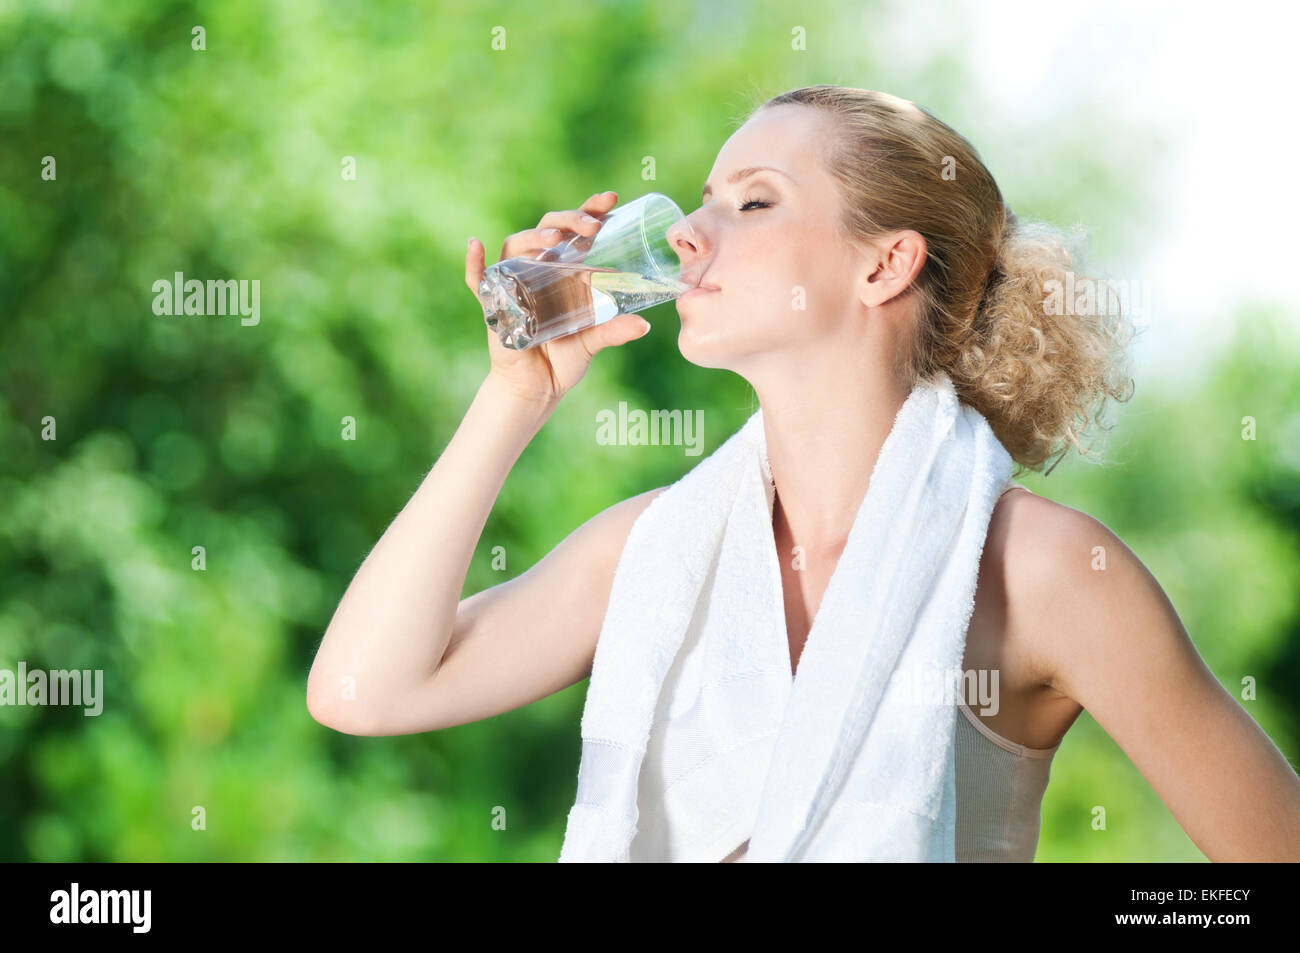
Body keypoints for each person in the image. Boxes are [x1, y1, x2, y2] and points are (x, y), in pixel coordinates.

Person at [306, 85, 1300, 861]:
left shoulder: (1043, 571)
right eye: (702, 201)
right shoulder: (650, 549)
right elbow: (363, 690)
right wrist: (515, 397)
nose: (688, 235)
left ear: (882, 265)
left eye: (753, 202)